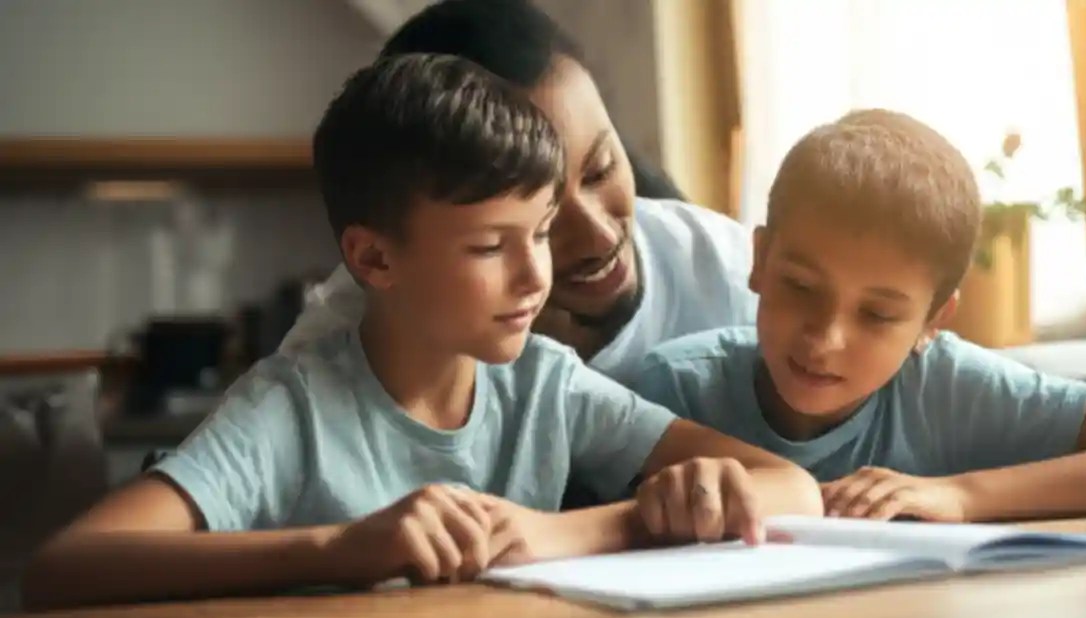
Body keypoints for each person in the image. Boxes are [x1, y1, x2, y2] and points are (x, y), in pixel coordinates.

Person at [21, 55, 822, 611]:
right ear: (373, 257)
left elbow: (796, 489)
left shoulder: (546, 383)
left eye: (539, 232)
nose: (534, 275)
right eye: (487, 246)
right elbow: (63, 569)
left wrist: (574, 529)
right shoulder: (294, 408)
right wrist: (337, 551)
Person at [632, 109, 1086, 523]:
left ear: (934, 322)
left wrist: (961, 495)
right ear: (761, 260)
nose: (825, 340)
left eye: (878, 315)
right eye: (800, 286)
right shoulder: (672, 388)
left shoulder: (946, 388)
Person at [282, 0, 756, 389]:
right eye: (541, 217)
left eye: (600, 170)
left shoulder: (737, 280)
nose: (596, 237)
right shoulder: (350, 349)